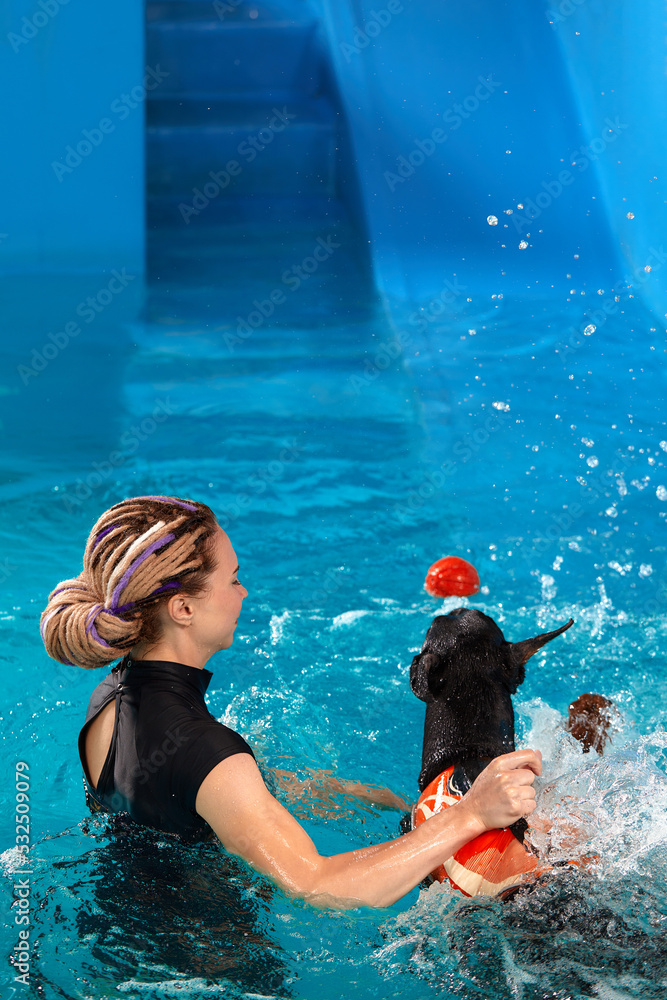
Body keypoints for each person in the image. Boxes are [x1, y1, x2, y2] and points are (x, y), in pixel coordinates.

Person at [41, 495, 542, 910]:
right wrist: (470, 814)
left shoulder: (109, 696)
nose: (245, 593)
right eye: (233, 579)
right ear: (183, 608)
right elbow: (317, 885)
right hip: (215, 970)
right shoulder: (207, 750)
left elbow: (202, 799)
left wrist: (390, 804)